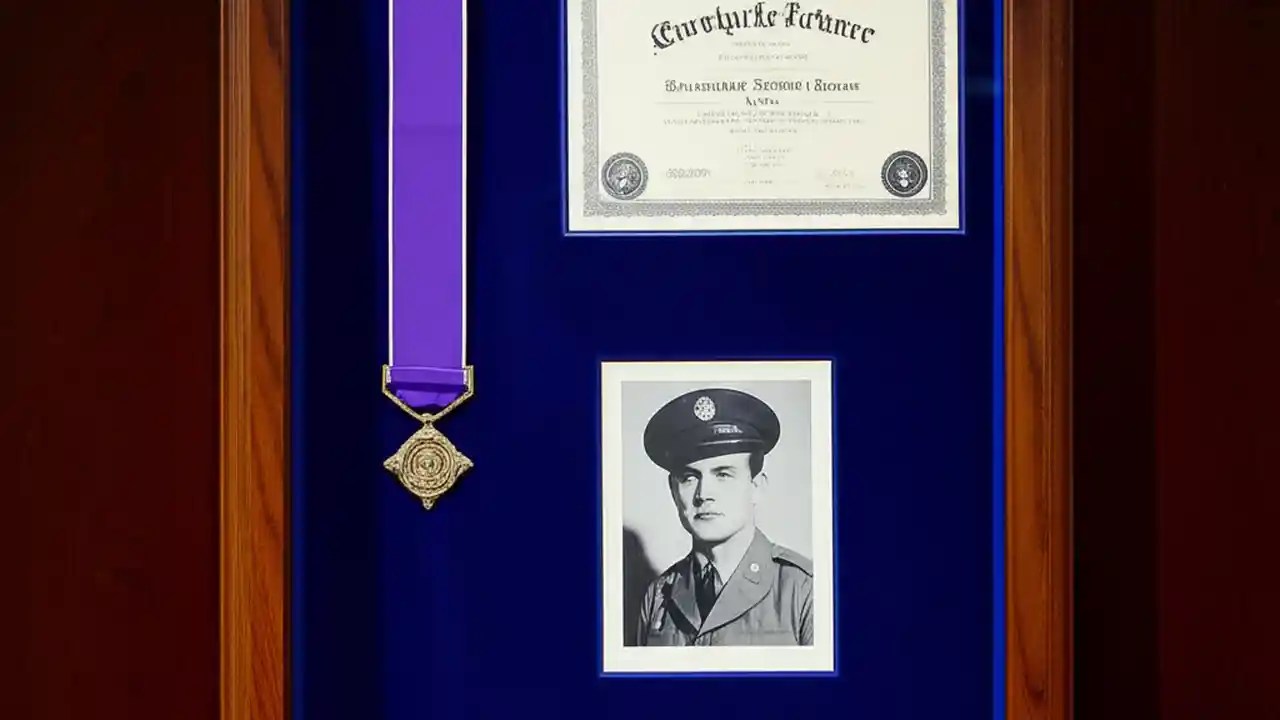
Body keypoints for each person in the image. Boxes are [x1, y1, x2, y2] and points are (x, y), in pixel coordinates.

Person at [634, 387, 813, 647]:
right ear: (674, 491)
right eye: (689, 478)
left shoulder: (803, 591)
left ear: (756, 487)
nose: (703, 494)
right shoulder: (658, 598)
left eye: (723, 474)